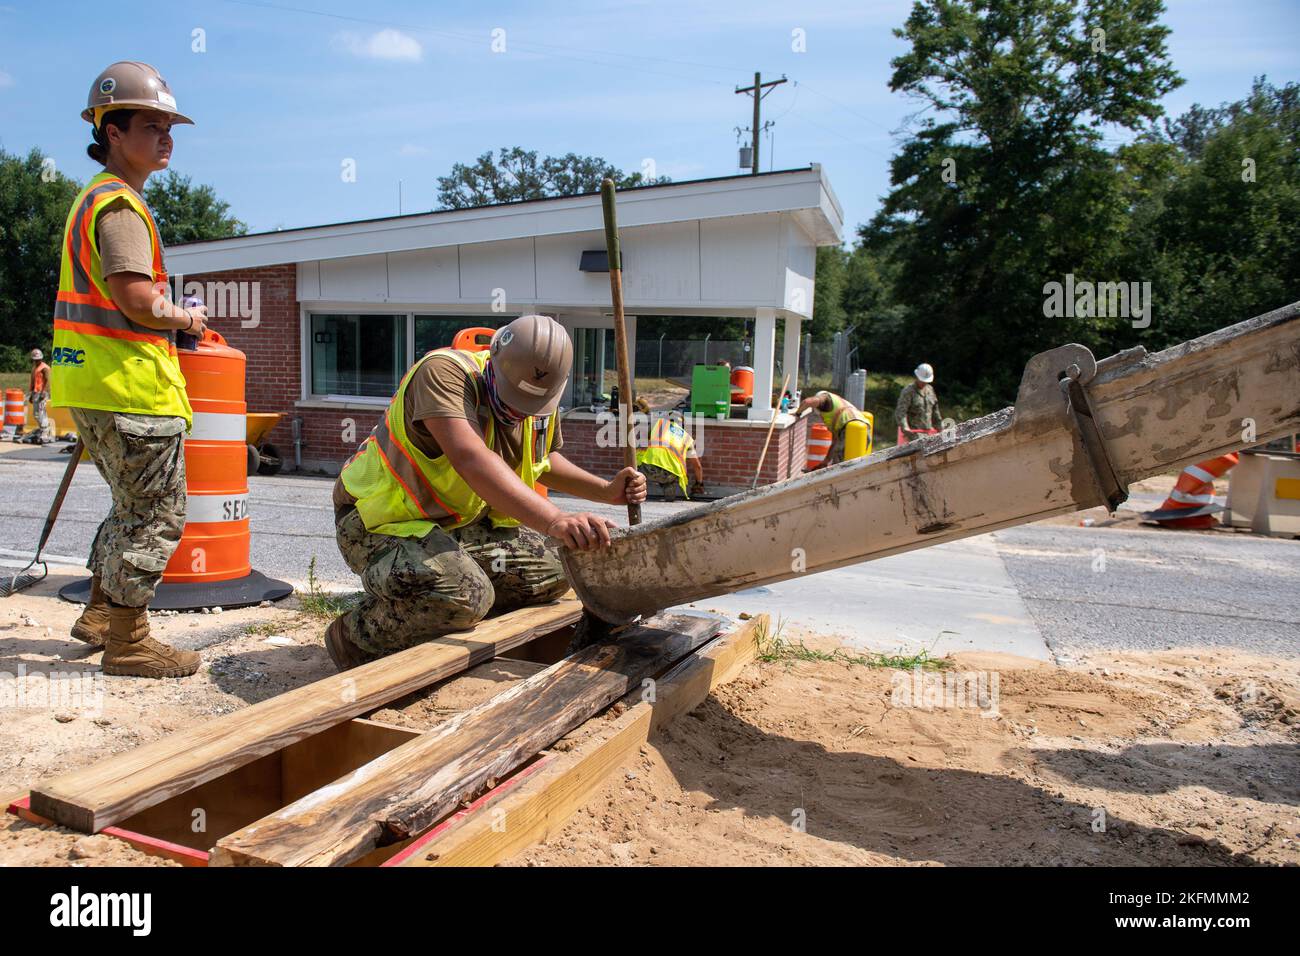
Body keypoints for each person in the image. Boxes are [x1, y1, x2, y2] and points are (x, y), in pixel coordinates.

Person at [326, 314, 648, 670]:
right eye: (511, 402)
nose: (517, 414)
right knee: (463, 595)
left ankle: (450, 605)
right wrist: (555, 519)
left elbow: (545, 459)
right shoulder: (443, 374)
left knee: (558, 570)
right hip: (379, 522)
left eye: (528, 409)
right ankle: (355, 639)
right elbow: (471, 457)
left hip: (450, 526)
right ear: (493, 360)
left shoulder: (539, 402)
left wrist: (606, 491)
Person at [49, 62, 208, 678]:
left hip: (94, 382)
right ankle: (129, 641)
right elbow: (139, 301)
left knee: (129, 506)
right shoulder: (119, 207)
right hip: (129, 388)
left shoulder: (95, 198)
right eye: (151, 125)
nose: (166, 137)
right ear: (112, 132)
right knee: (157, 514)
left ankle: (99, 613)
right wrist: (188, 321)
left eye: (170, 126)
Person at [637, 409, 704, 500]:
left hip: (648, 468)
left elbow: (643, 441)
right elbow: (697, 466)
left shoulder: (658, 425)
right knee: (674, 470)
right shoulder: (686, 437)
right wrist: (699, 483)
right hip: (669, 474)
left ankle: (633, 485)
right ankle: (669, 489)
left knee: (638, 454)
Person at [797, 388, 868, 466]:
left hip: (850, 427)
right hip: (864, 429)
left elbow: (808, 402)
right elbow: (835, 441)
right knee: (856, 463)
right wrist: (826, 461)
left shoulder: (825, 399)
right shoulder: (836, 411)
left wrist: (797, 413)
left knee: (843, 464)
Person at [896, 363, 942, 445]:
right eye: (922, 380)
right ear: (917, 377)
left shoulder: (930, 390)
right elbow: (901, 412)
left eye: (925, 381)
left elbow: (935, 411)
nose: (924, 383)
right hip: (912, 435)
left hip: (928, 432)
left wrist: (940, 427)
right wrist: (905, 428)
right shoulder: (908, 392)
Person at [27, 349, 53, 443]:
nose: (37, 361)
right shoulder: (35, 367)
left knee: (41, 412)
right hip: (35, 392)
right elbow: (34, 381)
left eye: (38, 359)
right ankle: (43, 429)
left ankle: (45, 430)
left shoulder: (44, 367)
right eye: (35, 359)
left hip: (41, 393)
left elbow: (47, 380)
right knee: (36, 414)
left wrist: (44, 392)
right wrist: (31, 394)